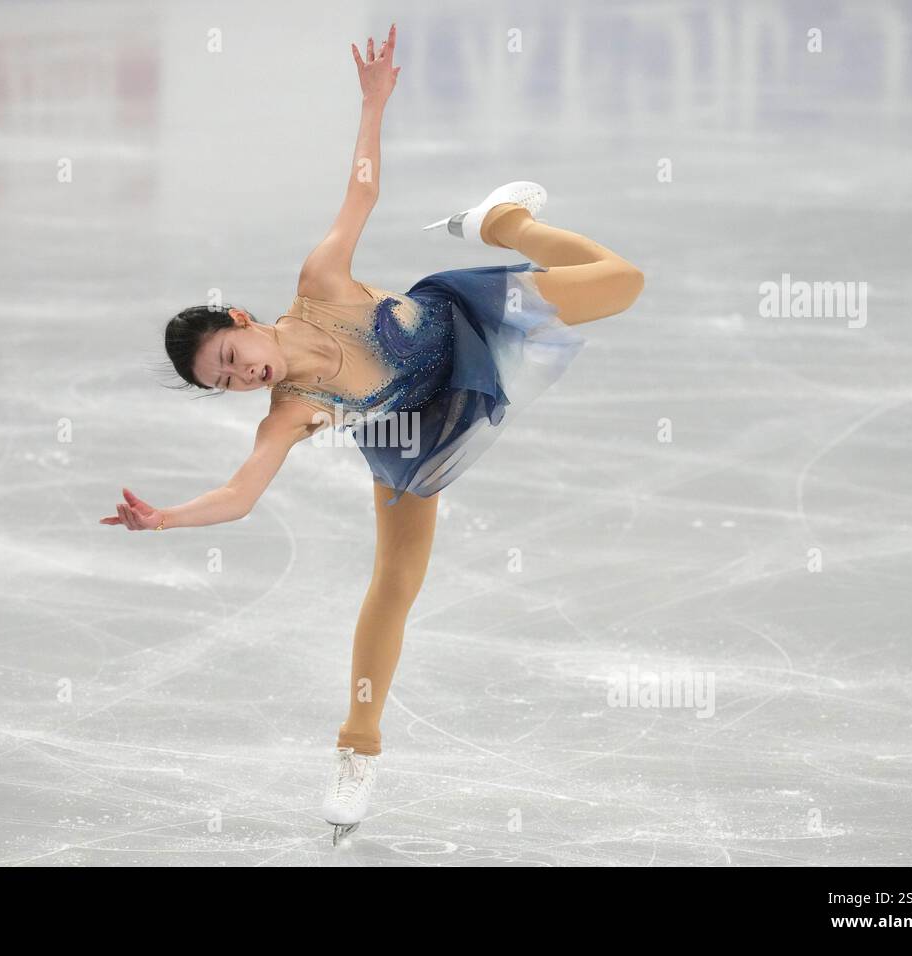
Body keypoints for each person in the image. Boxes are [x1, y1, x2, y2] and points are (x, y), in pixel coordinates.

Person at [101, 23, 643, 844]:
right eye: (223, 381)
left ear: (243, 320)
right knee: (393, 585)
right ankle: (357, 752)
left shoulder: (321, 281)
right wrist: (166, 519)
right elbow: (244, 494)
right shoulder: (287, 412)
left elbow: (361, 195)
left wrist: (373, 103)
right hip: (417, 429)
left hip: (469, 323)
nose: (243, 376)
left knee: (626, 281)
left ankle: (503, 226)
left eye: (232, 356)